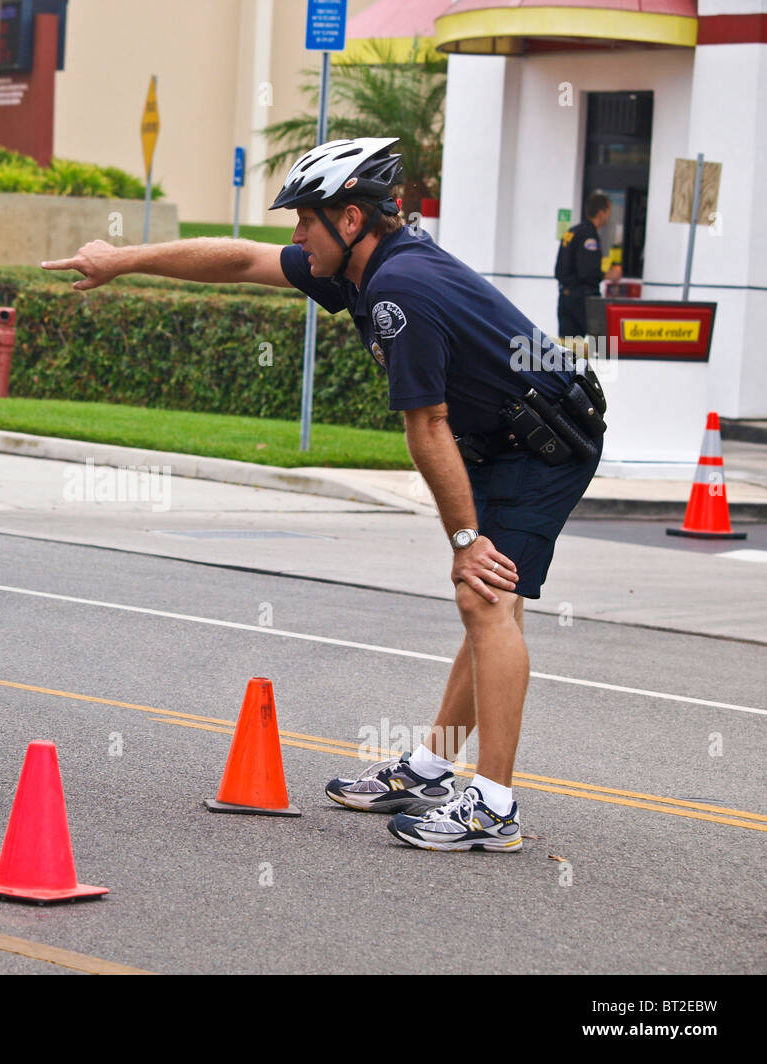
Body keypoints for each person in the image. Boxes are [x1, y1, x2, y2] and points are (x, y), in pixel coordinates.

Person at [42, 138, 605, 853]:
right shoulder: (359, 265)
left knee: (485, 594)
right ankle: (433, 768)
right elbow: (242, 260)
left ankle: (493, 807)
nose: (295, 234)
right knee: (487, 598)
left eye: (305, 218)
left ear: (349, 217)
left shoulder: (402, 291)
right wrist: (123, 260)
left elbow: (427, 426)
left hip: (544, 443)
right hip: (500, 434)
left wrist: (466, 542)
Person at [555, 192, 623, 339]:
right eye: (608, 212)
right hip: (584, 299)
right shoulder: (588, 235)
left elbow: (558, 270)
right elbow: (587, 272)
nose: (609, 216)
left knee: (569, 347)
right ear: (601, 213)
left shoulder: (572, 232)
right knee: (602, 343)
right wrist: (610, 275)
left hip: (565, 297)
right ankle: (599, 363)